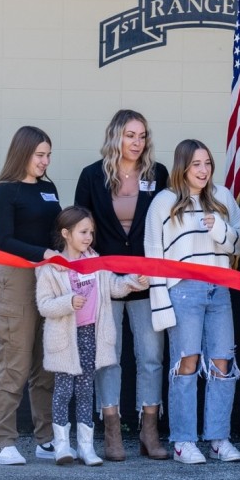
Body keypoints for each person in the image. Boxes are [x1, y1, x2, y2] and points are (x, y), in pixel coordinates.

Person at [74, 110, 170, 461]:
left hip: (148, 281)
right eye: (130, 135)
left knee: (151, 358)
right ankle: (111, 431)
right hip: (107, 281)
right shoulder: (91, 176)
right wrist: (108, 276)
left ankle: (149, 432)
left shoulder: (157, 174)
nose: (137, 142)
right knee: (108, 358)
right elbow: (82, 230)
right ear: (115, 136)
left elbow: (166, 224)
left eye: (142, 136)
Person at [145, 139, 240, 465]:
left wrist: (221, 230)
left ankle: (218, 438)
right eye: (196, 164)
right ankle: (183, 441)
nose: (203, 170)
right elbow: (153, 257)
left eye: (207, 163)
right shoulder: (164, 201)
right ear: (182, 167)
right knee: (185, 364)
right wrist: (160, 306)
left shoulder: (224, 197)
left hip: (219, 288)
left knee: (223, 364)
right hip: (183, 290)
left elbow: (239, 245)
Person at [36, 207, 149, 466]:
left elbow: (114, 289)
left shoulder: (96, 262)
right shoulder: (51, 268)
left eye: (91, 232)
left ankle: (86, 447)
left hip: (90, 335)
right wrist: (68, 302)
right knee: (63, 391)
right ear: (66, 233)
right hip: (65, 339)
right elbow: (44, 305)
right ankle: (62, 445)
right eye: (83, 232)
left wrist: (134, 281)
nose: (88, 237)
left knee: (86, 390)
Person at [0, 126, 67, 465]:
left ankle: (45, 439)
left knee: (46, 365)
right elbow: (4, 241)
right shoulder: (5, 191)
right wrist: (43, 253)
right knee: (14, 363)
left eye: (48, 155)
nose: (45, 162)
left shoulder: (49, 189)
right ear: (23, 153)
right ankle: (0, 442)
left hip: (48, 279)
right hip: (16, 278)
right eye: (39, 155)